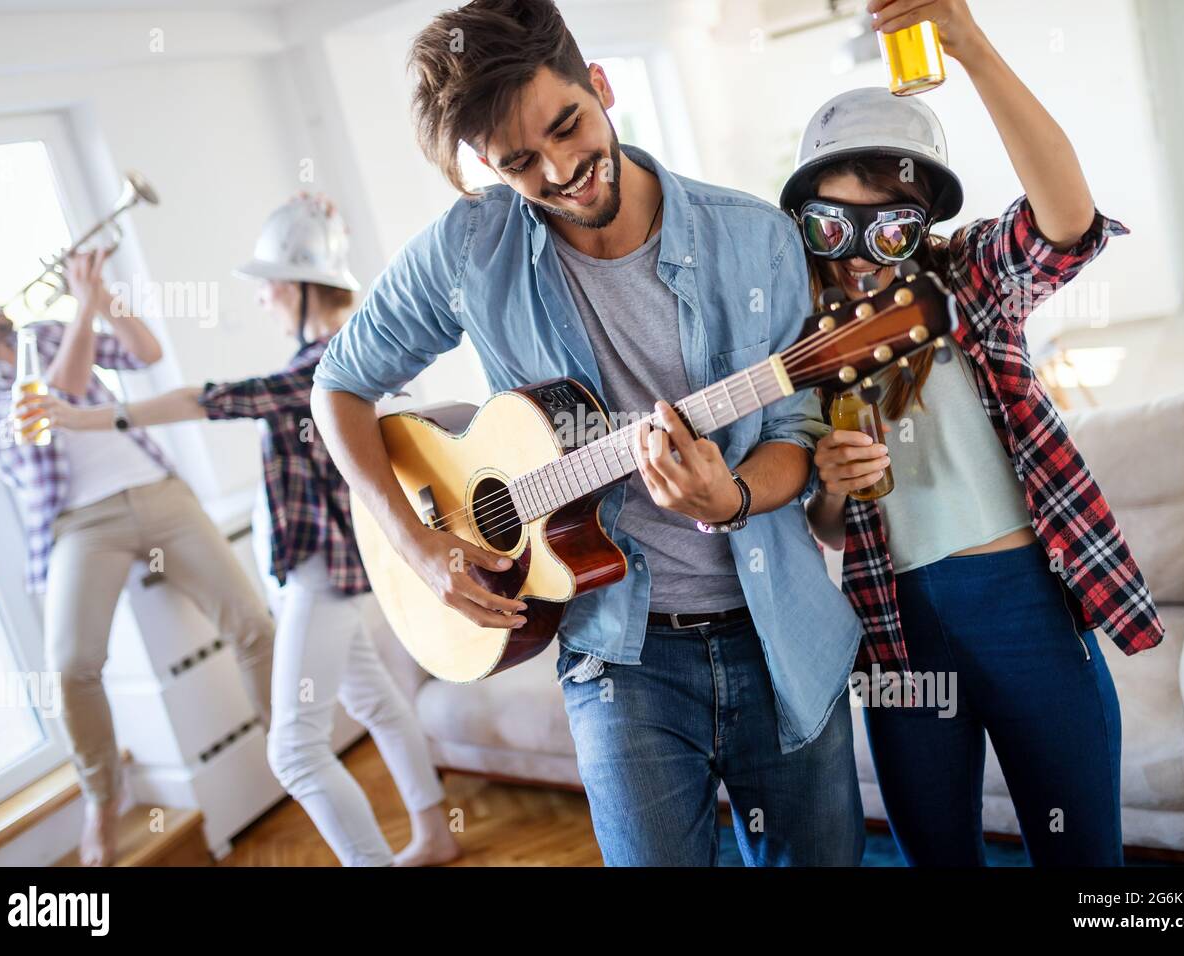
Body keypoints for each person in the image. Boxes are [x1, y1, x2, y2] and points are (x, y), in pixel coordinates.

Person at [308, 0, 864, 868]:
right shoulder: (471, 249)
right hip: (616, 650)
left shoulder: (755, 236)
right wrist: (417, 546)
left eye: (568, 125)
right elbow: (337, 386)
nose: (564, 170)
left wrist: (738, 493)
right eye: (521, 162)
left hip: (780, 631)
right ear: (488, 168)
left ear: (600, 86)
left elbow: (797, 427)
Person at [786, 0, 1164, 865]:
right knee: (936, 855)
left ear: (921, 222)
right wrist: (834, 487)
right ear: (803, 220)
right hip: (895, 628)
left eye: (888, 226)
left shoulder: (967, 288)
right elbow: (824, 528)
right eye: (831, 223)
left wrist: (971, 45)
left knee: (1086, 865)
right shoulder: (798, 344)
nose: (857, 252)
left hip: (1024, 608)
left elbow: (1066, 220)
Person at [19, 195, 462, 868]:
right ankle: (434, 832)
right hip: (335, 568)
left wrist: (93, 419)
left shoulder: (326, 365)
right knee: (375, 699)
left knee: (293, 751)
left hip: (326, 572)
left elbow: (216, 397)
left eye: (263, 287)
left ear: (289, 285)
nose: (260, 300)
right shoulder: (348, 349)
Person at [0, 253, 274, 866]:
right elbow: (56, 401)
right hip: (80, 524)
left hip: (157, 490)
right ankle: (102, 800)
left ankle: (288, 748)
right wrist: (80, 307)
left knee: (252, 624)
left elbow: (146, 351)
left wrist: (103, 298)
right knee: (71, 665)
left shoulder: (42, 332)